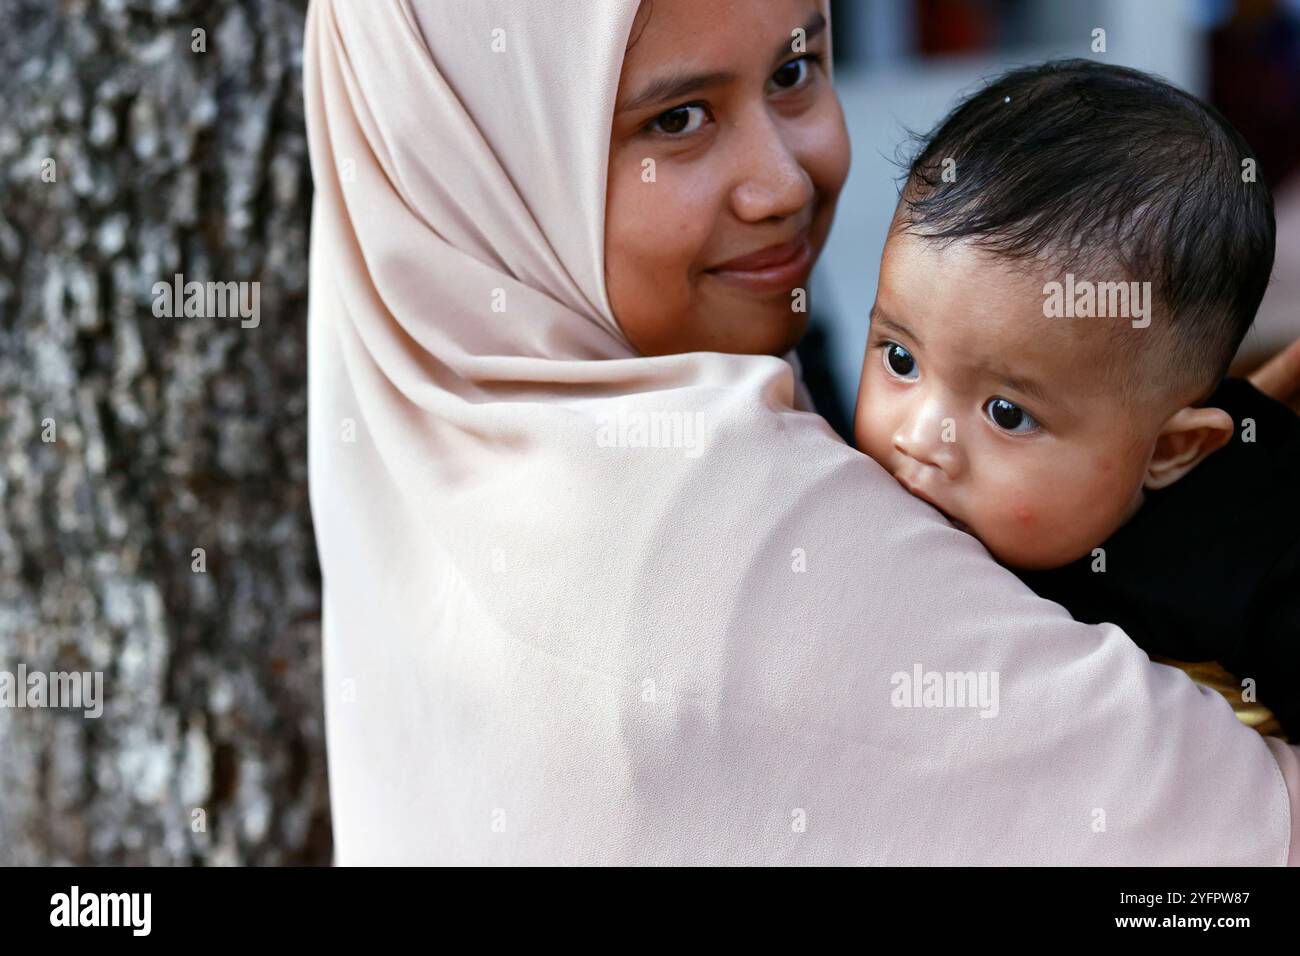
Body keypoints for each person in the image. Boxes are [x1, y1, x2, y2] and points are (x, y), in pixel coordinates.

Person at [303, 0, 1300, 864]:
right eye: (677, 118)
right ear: (482, 150)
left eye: (793, 69)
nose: (781, 181)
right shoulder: (733, 539)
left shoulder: (417, 417)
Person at [851, 60, 1300, 737]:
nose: (919, 437)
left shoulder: (1259, 564)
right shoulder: (865, 492)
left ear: (1172, 450)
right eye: (901, 358)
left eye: (1007, 413)